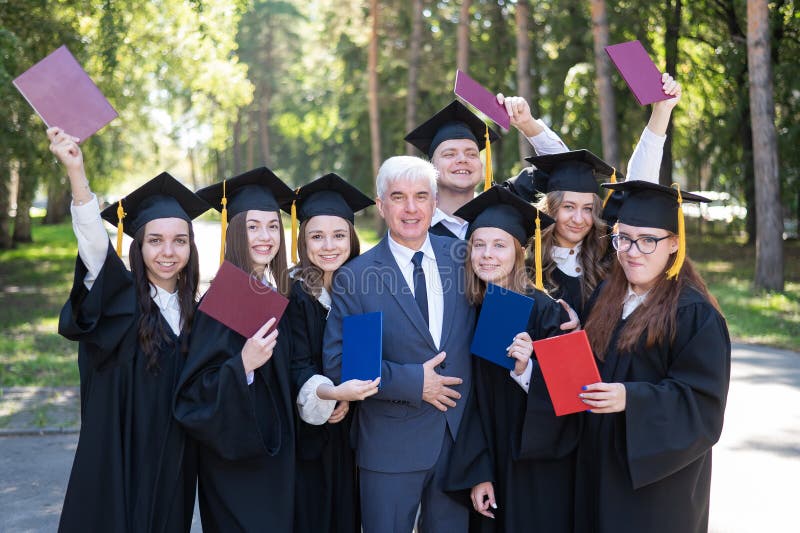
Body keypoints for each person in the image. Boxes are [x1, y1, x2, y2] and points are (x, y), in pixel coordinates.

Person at [173, 167, 373, 532]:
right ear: (234, 232)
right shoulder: (224, 299)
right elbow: (193, 396)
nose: (265, 237)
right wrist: (243, 365)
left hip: (280, 458)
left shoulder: (278, 291)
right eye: (252, 227)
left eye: (271, 226)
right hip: (240, 466)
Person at [49, 126, 207, 532]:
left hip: (175, 460)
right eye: (154, 240)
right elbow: (94, 244)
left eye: (179, 241)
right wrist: (76, 172)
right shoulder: (121, 303)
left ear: (191, 247)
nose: (168, 252)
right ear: (137, 247)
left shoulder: (199, 314)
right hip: (121, 455)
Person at [323, 156, 476, 532]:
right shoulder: (356, 277)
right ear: (381, 205)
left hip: (458, 444)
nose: (411, 208)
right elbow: (343, 364)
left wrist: (552, 316)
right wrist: (413, 383)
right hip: (390, 447)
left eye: (421, 196)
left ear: (435, 202)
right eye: (398, 197)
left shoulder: (464, 259)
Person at [577, 180, 731, 532]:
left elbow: (701, 405)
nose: (633, 251)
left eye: (648, 240)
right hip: (599, 471)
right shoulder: (607, 295)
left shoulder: (694, 314)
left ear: (674, 243)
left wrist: (630, 398)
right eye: (624, 238)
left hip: (655, 489)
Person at [445, 186, 577, 532]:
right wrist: (478, 472)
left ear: (520, 251)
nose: (487, 255)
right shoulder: (466, 308)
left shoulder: (549, 312)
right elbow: (474, 402)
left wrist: (527, 370)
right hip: (488, 467)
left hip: (536, 471)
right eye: (479, 244)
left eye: (499, 245)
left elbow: (573, 403)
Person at [504, 74, 683, 320]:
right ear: (551, 208)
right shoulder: (525, 262)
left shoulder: (607, 251)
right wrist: (527, 124)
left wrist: (661, 111)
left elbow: (639, 179)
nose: (579, 218)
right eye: (568, 206)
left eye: (588, 208)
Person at [287, 173, 380, 533]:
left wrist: (351, 399)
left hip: (356, 436)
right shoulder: (292, 295)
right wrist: (330, 394)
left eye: (339, 235)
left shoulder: (364, 289)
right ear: (303, 241)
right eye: (317, 236)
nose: (329, 245)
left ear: (352, 239)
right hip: (306, 437)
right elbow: (294, 363)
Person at [404, 99, 566, 239]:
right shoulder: (414, 224)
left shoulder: (503, 205)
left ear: (481, 165)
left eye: (471, 154)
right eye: (449, 154)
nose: (462, 159)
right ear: (431, 167)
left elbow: (564, 168)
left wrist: (527, 124)